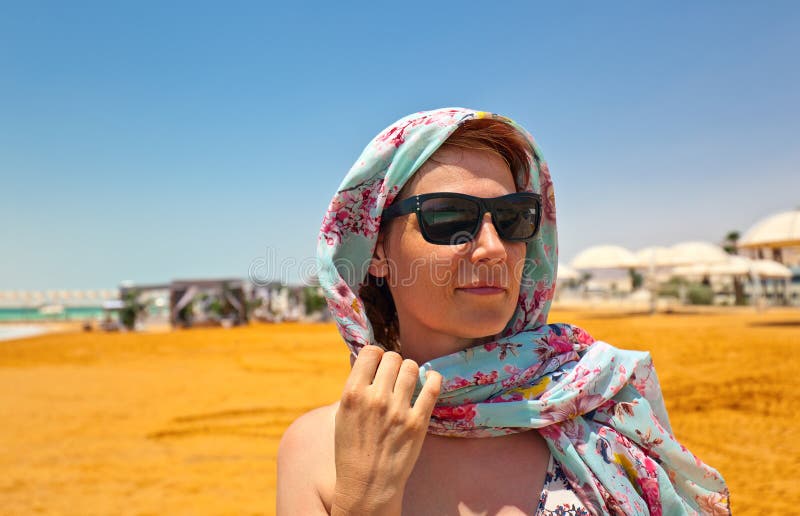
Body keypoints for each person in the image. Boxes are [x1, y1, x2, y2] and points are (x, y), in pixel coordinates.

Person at [277, 108, 730, 515]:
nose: (494, 248)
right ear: (375, 247)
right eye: (450, 218)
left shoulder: (595, 404)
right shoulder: (319, 452)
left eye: (514, 218)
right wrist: (366, 503)